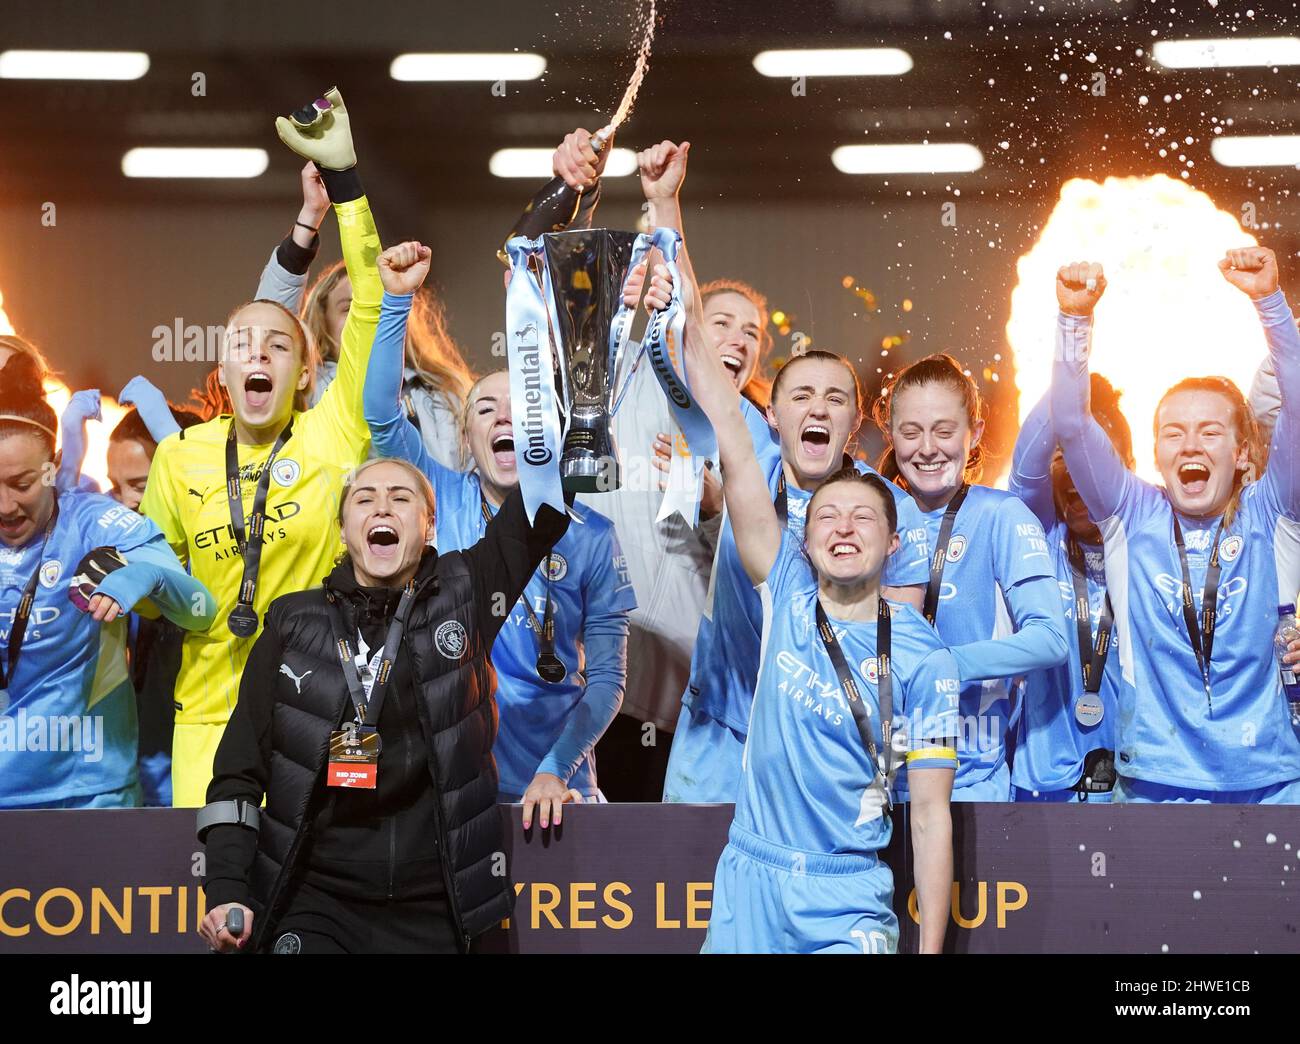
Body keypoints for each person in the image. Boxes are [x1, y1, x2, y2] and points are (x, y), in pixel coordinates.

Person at [641, 262, 957, 953]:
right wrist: (667, 223)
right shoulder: (782, 585)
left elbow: (930, 819)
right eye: (828, 519)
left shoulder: (926, 658)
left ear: (895, 539)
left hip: (846, 893)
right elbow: (722, 408)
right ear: (802, 543)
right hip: (747, 879)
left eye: (862, 519)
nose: (843, 527)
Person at [645, 142, 931, 805]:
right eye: (800, 396)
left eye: (836, 399)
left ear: (857, 421)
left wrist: (888, 774)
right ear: (770, 416)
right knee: (701, 906)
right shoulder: (753, 459)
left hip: (824, 744)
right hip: (719, 733)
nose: (817, 408)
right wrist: (665, 202)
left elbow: (901, 651)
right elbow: (692, 338)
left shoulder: (892, 511)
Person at [197, 457, 571, 954]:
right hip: (317, 898)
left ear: (429, 524)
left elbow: (541, 505)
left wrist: (573, 428)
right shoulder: (293, 622)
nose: (383, 507)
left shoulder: (468, 591)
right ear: (343, 529)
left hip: (437, 904)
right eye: (365, 498)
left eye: (401, 497)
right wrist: (226, 888)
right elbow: (239, 771)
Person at [139, 86, 384, 808]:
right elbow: (159, 599)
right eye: (241, 344)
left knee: (315, 900)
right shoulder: (179, 456)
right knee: (215, 906)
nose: (258, 352)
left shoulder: (333, 430)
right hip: (207, 718)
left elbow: (369, 298)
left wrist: (344, 181)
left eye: (278, 345)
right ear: (222, 371)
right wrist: (137, 587)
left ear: (306, 369)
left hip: (317, 714)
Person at [364, 241, 634, 811]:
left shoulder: (590, 534)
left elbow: (608, 679)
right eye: (485, 409)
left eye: (524, 407)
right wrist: (395, 303)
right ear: (466, 439)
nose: (506, 417)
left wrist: (556, 771)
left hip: (553, 788)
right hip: (451, 785)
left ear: (553, 430)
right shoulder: (437, 501)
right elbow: (383, 415)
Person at [550, 129, 777, 798]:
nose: (733, 337)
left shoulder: (754, 437)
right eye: (722, 323)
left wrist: (715, 510)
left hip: (694, 679)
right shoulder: (635, 375)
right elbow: (583, 284)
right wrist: (594, 193)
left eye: (751, 333)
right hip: (603, 664)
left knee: (676, 852)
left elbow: (765, 563)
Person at [1052, 249, 1300, 803]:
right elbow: (1070, 421)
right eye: (1174, 432)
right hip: (1152, 785)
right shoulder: (1129, 515)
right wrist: (1074, 318)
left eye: (1210, 432)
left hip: (1271, 782)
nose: (1190, 444)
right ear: (1155, 453)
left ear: (1241, 453)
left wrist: (1269, 302)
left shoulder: (1274, 512)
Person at [0, 354, 215, 809]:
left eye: (21, 483)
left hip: (86, 795)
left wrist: (150, 574)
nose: (5, 505)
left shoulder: (92, 520)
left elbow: (202, 610)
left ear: (51, 469)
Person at [873, 353, 1068, 801]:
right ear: (891, 435)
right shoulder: (870, 513)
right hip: (879, 781)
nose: (927, 448)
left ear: (974, 432)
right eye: (911, 432)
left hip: (970, 780)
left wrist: (943, 667)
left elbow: (1051, 639)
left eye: (944, 431)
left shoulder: (1001, 515)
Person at [253, 160, 474, 472]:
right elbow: (265, 327)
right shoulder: (306, 389)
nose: (366, 319)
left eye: (379, 307)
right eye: (348, 309)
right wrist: (311, 215)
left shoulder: (447, 394)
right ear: (322, 324)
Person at [1009, 375, 1135, 801]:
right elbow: (1026, 460)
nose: (1081, 468)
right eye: (1066, 454)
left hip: (1139, 784)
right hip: (1045, 785)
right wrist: (1072, 372)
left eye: (1096, 456)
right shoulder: (1037, 533)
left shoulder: (1153, 543)